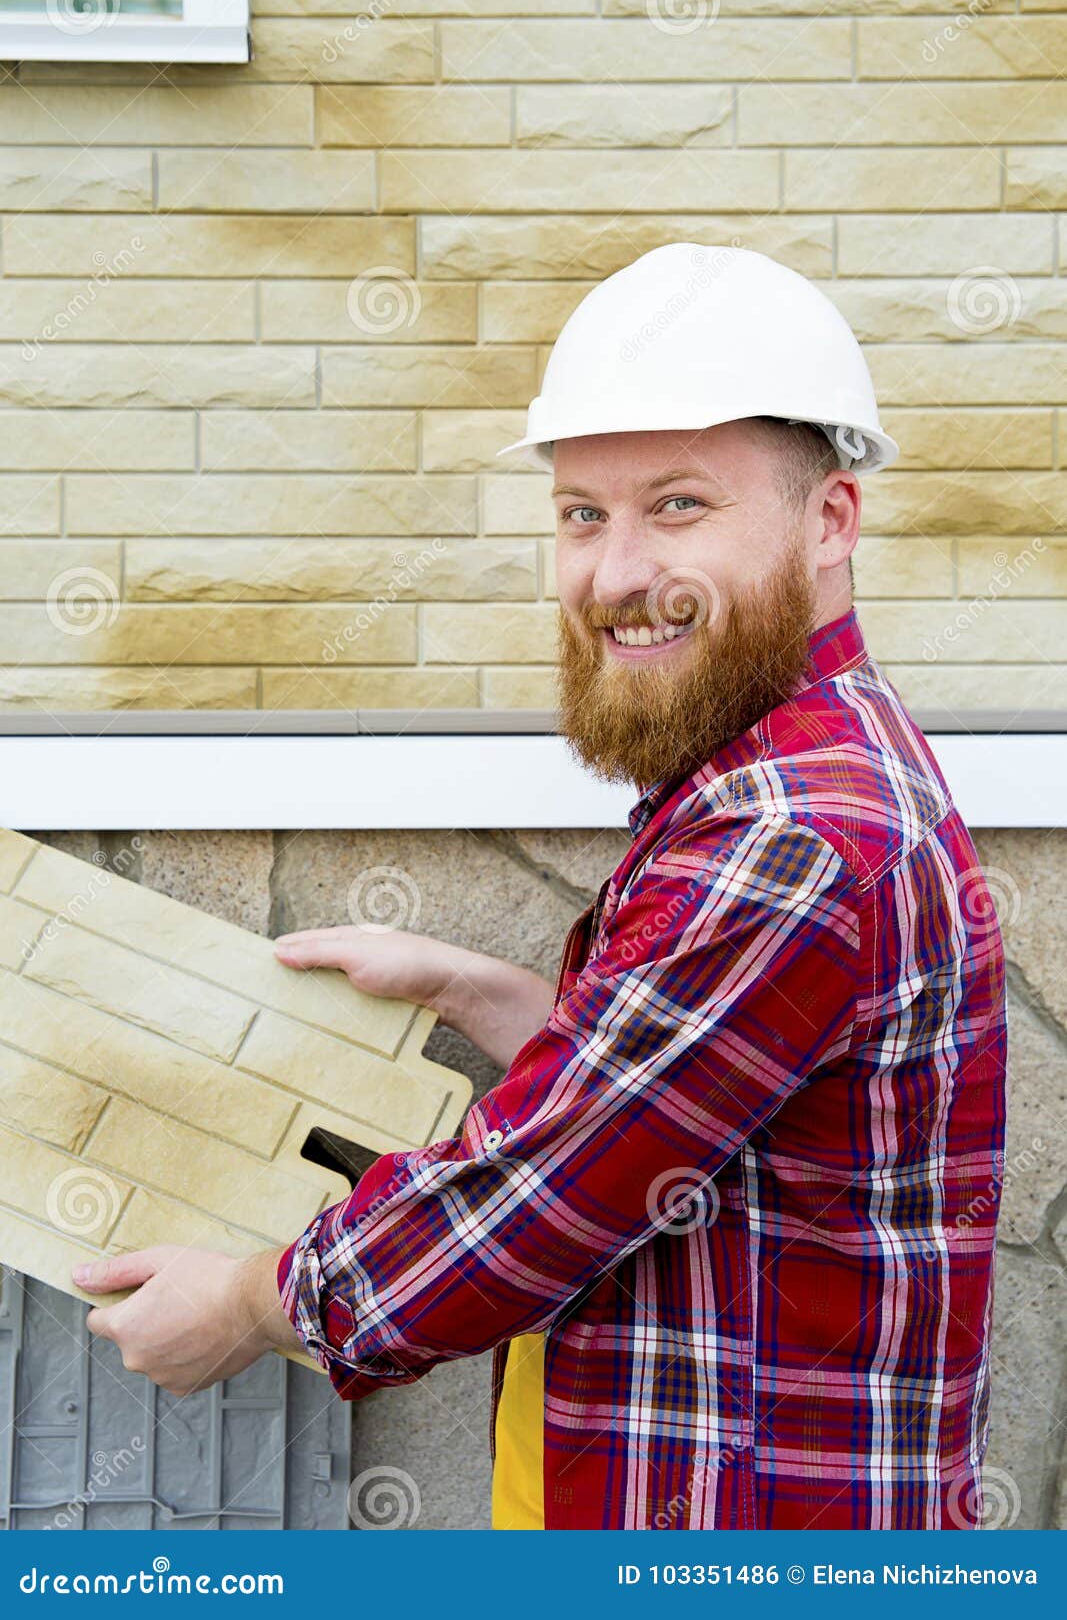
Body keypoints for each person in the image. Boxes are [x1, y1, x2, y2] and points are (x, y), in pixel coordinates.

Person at [73, 244, 1007, 1530]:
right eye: (581, 513)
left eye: (677, 505)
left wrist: (246, 1304)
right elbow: (684, 1109)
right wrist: (489, 990)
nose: (615, 573)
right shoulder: (779, 765)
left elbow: (534, 1201)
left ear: (828, 519)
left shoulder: (789, 836)